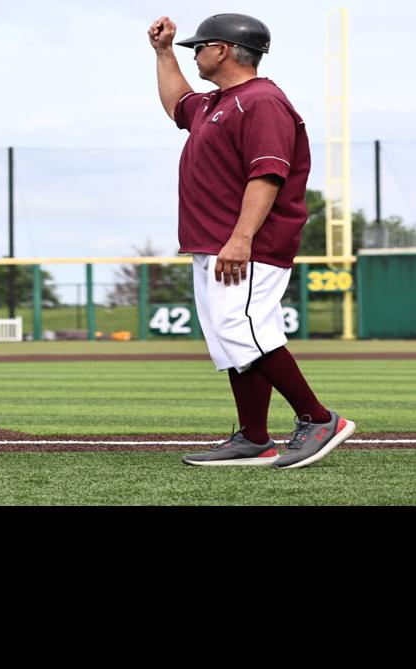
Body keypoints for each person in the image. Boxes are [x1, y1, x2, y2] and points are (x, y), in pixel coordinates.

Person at [149, 14, 357, 469]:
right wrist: (163, 53)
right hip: (214, 244)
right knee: (231, 341)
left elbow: (268, 173)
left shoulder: (260, 101)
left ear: (221, 50)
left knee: (244, 332)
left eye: (198, 47)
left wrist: (241, 238)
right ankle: (254, 437)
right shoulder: (217, 104)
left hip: (246, 245)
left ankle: (320, 419)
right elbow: (177, 103)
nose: (195, 53)